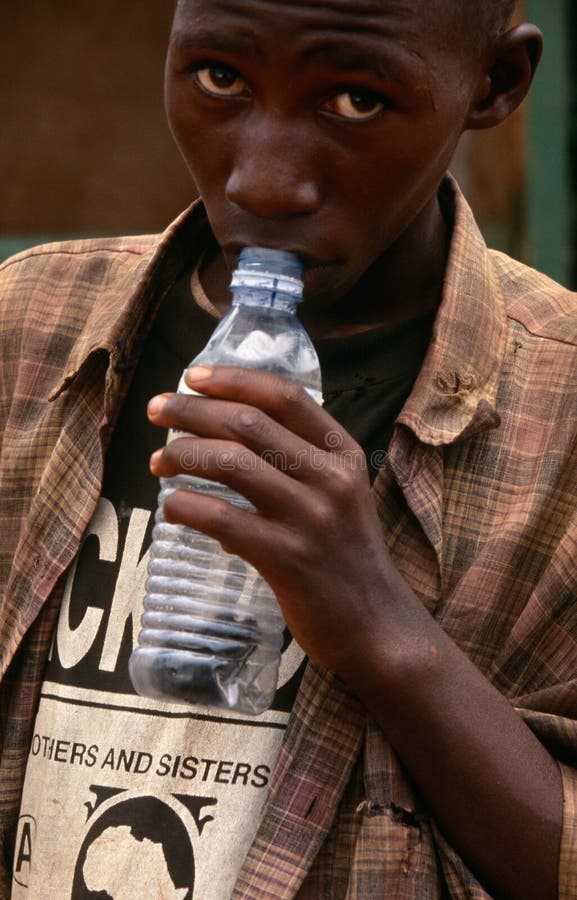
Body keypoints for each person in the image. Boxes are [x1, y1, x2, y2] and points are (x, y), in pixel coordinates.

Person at [1, 0, 576, 897]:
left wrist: (378, 626)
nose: (265, 184)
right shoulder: (24, 329)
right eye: (220, 78)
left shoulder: (563, 409)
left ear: (494, 83)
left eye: (355, 99)